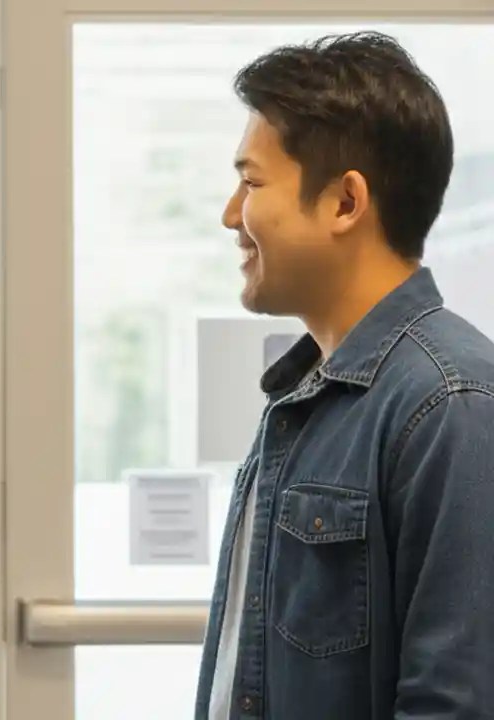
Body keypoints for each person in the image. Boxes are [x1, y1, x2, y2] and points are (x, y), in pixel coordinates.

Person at [196, 32, 494, 719]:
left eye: (251, 182)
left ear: (344, 203)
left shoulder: (451, 404)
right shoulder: (304, 400)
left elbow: (456, 701)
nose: (231, 216)